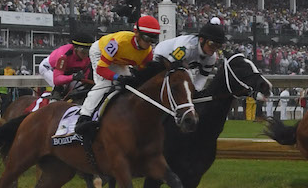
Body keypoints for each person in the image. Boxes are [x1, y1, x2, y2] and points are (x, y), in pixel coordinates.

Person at [75, 15, 162, 144]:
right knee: (105, 83)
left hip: (120, 60)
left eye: (153, 40)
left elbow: (143, 76)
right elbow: (101, 69)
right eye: (147, 38)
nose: (149, 43)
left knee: (130, 87)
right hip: (100, 52)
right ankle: (84, 116)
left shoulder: (148, 53)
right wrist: (117, 77)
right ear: (136, 33)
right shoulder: (118, 42)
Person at [152, 17, 227, 91]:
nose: (214, 48)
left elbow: (202, 76)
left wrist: (194, 91)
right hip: (162, 56)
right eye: (211, 44)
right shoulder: (185, 47)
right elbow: (169, 65)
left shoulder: (212, 58)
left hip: (179, 63)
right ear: (201, 40)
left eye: (218, 46)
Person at [38, 29, 96, 102]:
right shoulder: (63, 55)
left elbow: (86, 77)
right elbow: (57, 80)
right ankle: (51, 103)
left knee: (80, 90)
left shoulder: (88, 57)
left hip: (67, 71)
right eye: (83, 51)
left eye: (89, 51)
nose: (86, 55)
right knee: (60, 88)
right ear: (75, 48)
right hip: (49, 69)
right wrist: (73, 77)